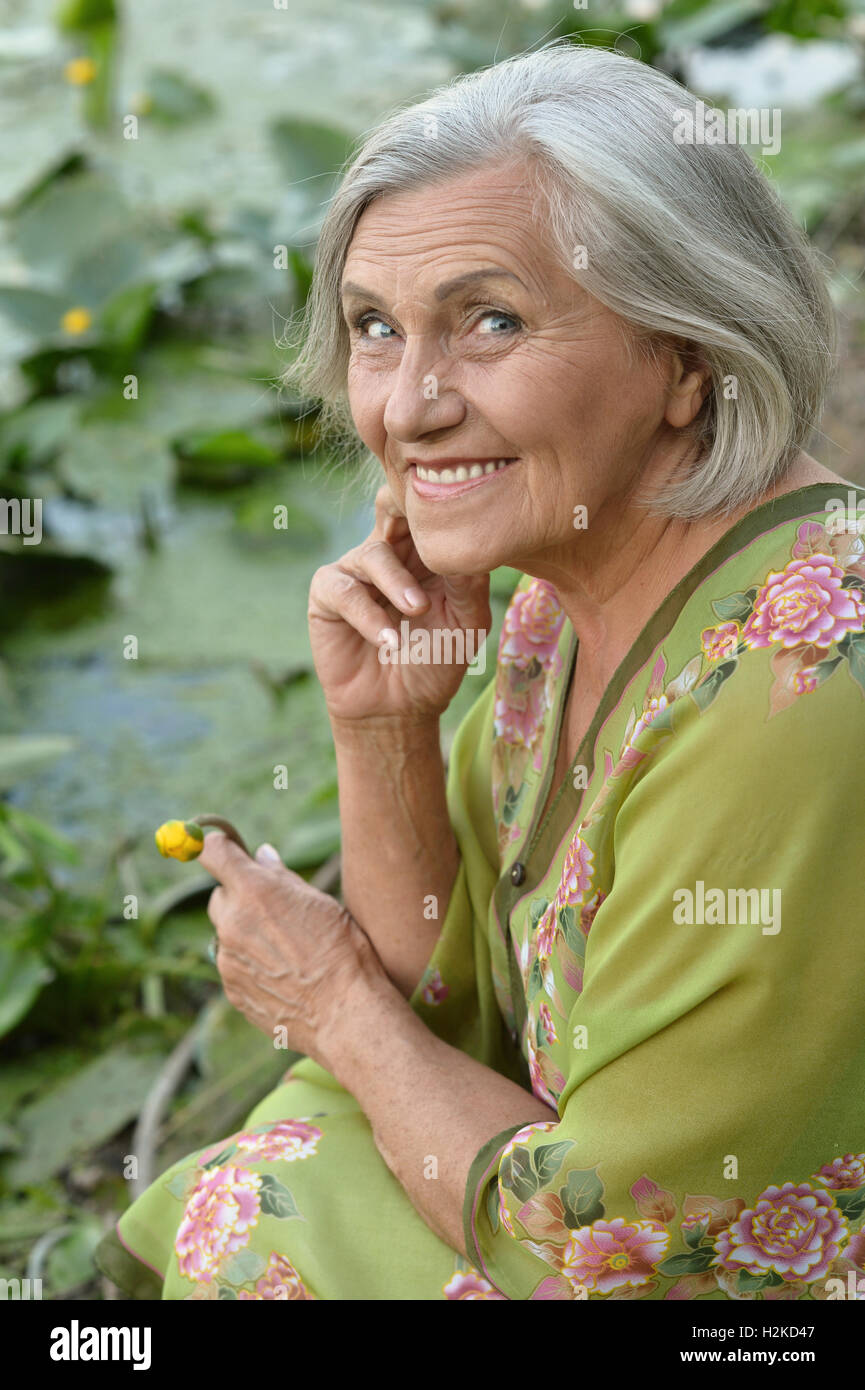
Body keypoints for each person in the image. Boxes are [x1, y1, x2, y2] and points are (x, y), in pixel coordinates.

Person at [95, 41, 865, 1301]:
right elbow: (449, 1012)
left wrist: (330, 999)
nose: (405, 407)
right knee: (293, 1151)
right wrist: (380, 728)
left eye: (489, 321)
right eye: (374, 330)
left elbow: (595, 1242)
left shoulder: (795, 691)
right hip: (591, 1214)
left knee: (263, 1218)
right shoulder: (550, 606)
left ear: (685, 356)